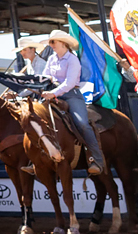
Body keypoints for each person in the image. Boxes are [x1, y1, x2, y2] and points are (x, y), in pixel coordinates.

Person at [39, 29, 106, 175]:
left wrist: (53, 93)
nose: (51, 45)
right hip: (53, 93)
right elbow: (44, 77)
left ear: (63, 43)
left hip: (71, 95)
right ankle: (35, 159)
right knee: (35, 119)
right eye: (50, 42)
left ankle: (97, 159)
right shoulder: (51, 59)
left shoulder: (72, 59)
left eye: (53, 42)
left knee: (82, 123)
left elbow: (69, 83)